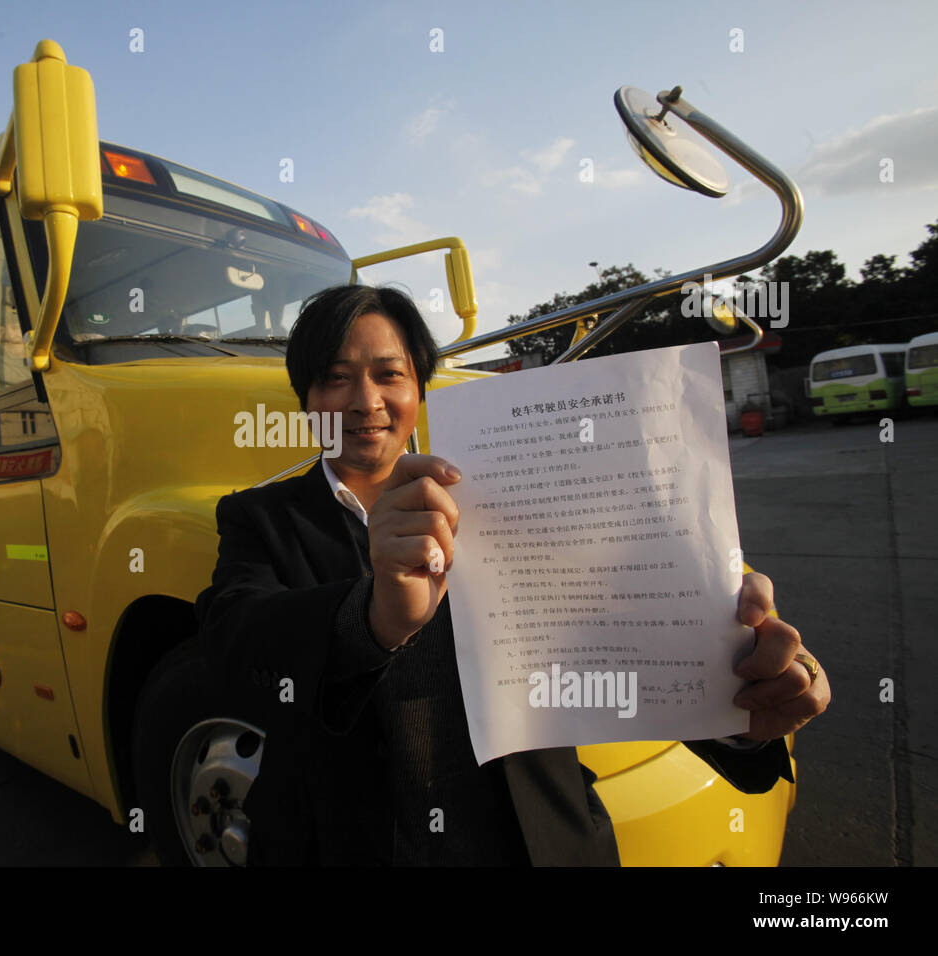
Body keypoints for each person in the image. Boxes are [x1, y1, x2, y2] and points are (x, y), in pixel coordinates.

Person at [194, 284, 830, 865]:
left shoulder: (508, 487)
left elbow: (623, 634)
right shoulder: (260, 516)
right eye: (335, 379)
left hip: (533, 841)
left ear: (418, 389)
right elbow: (234, 642)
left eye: (390, 374)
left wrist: (737, 697)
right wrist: (375, 618)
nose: (366, 402)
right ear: (306, 398)